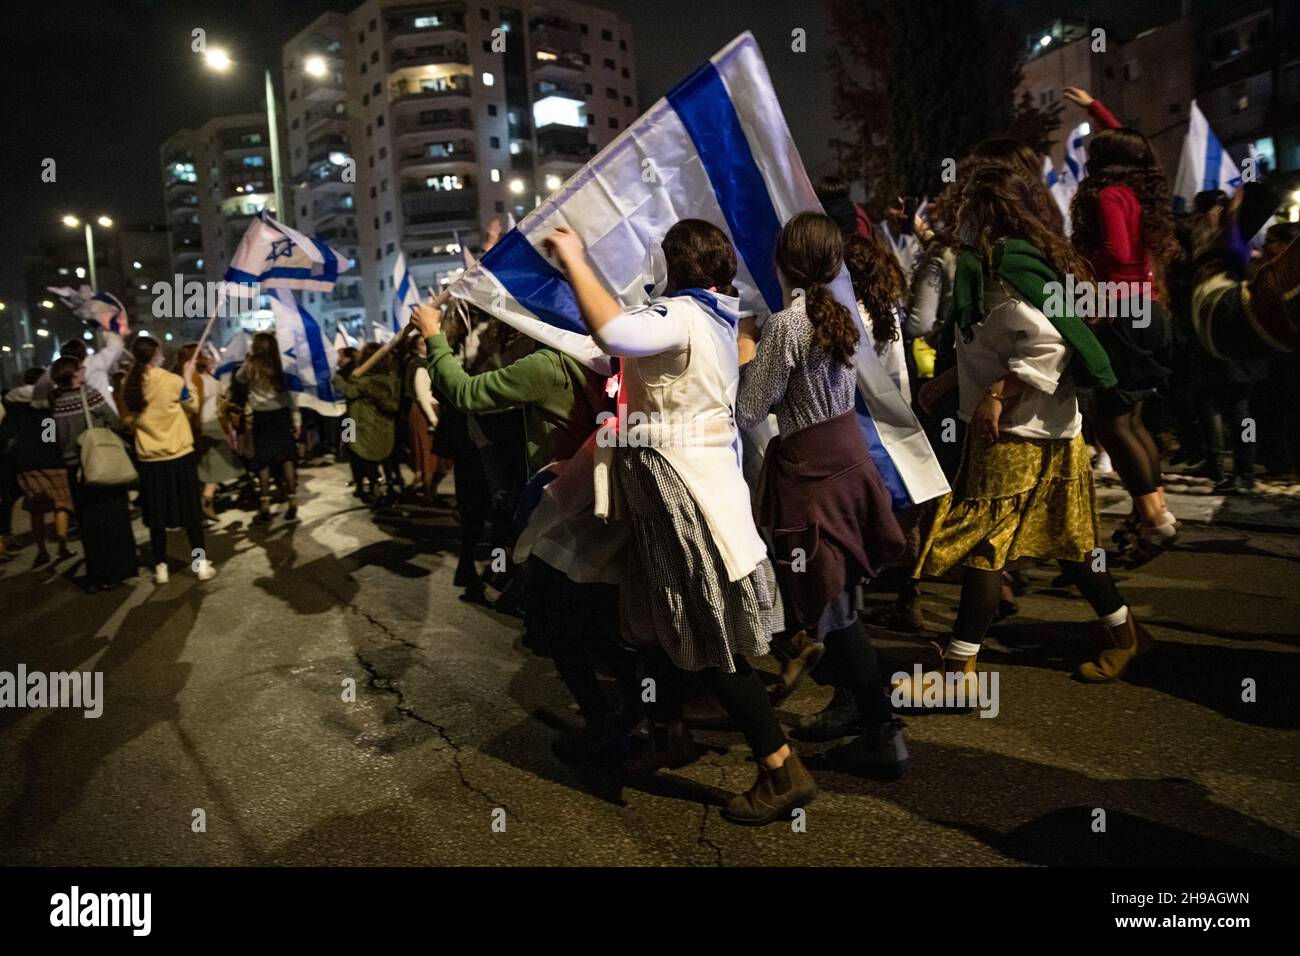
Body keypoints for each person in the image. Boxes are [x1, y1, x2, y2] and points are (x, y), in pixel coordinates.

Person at [545, 218, 818, 824]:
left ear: (674, 264)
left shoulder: (680, 315)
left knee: (706, 636)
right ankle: (670, 733)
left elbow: (612, 330)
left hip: (681, 494)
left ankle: (781, 767)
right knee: (666, 625)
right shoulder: (719, 316)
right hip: (683, 489)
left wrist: (572, 254)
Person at [910, 162, 1153, 686]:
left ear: (986, 211)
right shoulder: (1006, 263)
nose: (959, 212)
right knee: (1069, 543)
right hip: (1046, 430)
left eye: (967, 203)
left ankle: (958, 665)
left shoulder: (1003, 266)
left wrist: (996, 396)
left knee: (985, 546)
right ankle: (1124, 631)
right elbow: (994, 342)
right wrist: (952, 379)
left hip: (1016, 434)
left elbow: (1046, 343)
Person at [737, 212, 910, 776]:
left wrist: (743, 350)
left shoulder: (787, 325)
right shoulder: (843, 315)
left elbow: (749, 410)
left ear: (783, 262)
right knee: (843, 600)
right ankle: (857, 709)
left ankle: (885, 732)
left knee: (832, 609)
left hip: (812, 477)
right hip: (848, 463)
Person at [1065, 87, 1181, 555]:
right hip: (1147, 309)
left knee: (1112, 424)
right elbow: (1136, 147)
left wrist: (1077, 262)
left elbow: (1116, 253)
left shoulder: (1110, 194)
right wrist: (1097, 108)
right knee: (1130, 420)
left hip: (1121, 309)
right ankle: (1158, 511)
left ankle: (1154, 519)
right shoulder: (1138, 190)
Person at [120, 335, 216, 583]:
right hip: (179, 455)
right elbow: (193, 405)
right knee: (191, 514)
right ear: (156, 355)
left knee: (156, 516)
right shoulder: (172, 381)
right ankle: (200, 563)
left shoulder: (128, 384)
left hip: (149, 459)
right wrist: (187, 378)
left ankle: (161, 565)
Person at [48, 356, 136, 591]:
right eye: (81, 368)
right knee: (113, 519)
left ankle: (96, 576)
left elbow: (51, 437)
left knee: (89, 524)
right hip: (99, 464)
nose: (84, 371)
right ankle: (117, 571)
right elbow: (115, 422)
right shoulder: (90, 395)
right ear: (75, 374)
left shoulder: (55, 403)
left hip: (75, 470)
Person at [7, 366, 74, 566]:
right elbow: (49, 434)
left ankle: (41, 551)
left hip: (26, 462)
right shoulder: (46, 404)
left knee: (36, 509)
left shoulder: (14, 405)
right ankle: (62, 546)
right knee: (60, 503)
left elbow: (10, 431)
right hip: (51, 460)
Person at [236, 332, 300, 524]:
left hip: (261, 417)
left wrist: (248, 360)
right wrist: (296, 419)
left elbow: (239, 379)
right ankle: (292, 500)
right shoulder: (282, 364)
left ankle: (264, 503)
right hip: (281, 415)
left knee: (263, 461)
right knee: (286, 459)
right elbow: (292, 396)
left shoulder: (251, 366)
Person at [174, 343, 242, 520]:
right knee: (217, 464)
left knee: (209, 466)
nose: (206, 355)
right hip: (205, 425)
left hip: (213, 422)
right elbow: (192, 404)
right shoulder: (192, 378)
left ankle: (202, 501)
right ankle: (206, 500)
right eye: (202, 353)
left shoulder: (205, 374)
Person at [331, 342, 400, 505]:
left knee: (360, 455)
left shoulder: (362, 380)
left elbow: (350, 392)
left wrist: (336, 379)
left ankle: (369, 485)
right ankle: (391, 483)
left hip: (356, 425)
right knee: (386, 455)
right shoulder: (391, 379)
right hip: (385, 425)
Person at [400, 334, 449, 502]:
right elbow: (422, 395)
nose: (426, 346)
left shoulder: (429, 363)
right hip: (425, 412)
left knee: (439, 457)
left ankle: (431, 490)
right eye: (422, 343)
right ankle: (428, 493)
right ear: (415, 348)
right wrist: (433, 419)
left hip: (434, 410)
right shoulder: (419, 366)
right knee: (428, 455)